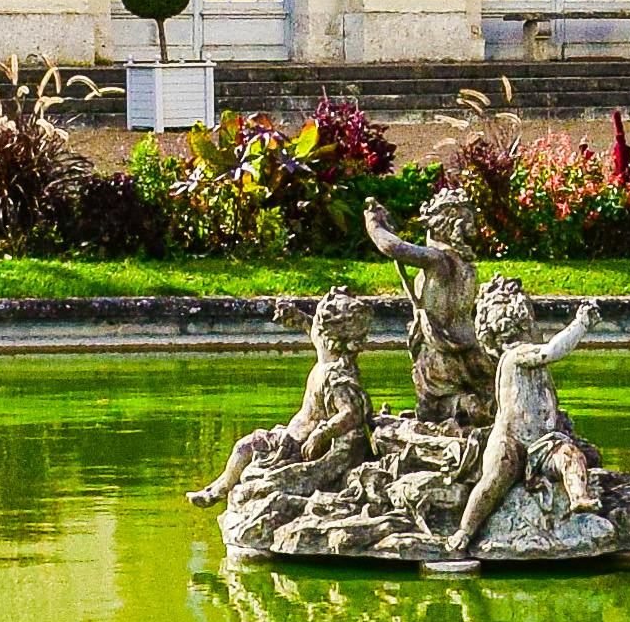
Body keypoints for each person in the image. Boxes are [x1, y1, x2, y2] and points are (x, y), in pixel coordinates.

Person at [448, 290, 607, 558]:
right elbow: (552, 352)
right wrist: (581, 323)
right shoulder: (519, 354)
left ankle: (579, 497)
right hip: (509, 440)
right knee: (494, 480)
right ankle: (465, 531)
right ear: (523, 325)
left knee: (570, 456)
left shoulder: (515, 358)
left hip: (543, 441)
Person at [195, 286, 372, 504]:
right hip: (293, 432)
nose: (314, 328)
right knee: (245, 447)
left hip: (301, 443)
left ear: (332, 333)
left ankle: (218, 491)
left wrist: (321, 434)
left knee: (244, 447)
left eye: (319, 322)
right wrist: (296, 316)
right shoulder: (326, 350)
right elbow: (311, 328)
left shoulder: (337, 377)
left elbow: (351, 413)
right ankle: (218, 487)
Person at [366, 184, 498, 422]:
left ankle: (461, 411)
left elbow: (392, 247)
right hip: (468, 347)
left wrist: (373, 223)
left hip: (442, 352)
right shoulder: (463, 264)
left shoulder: (438, 261)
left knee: (433, 411)